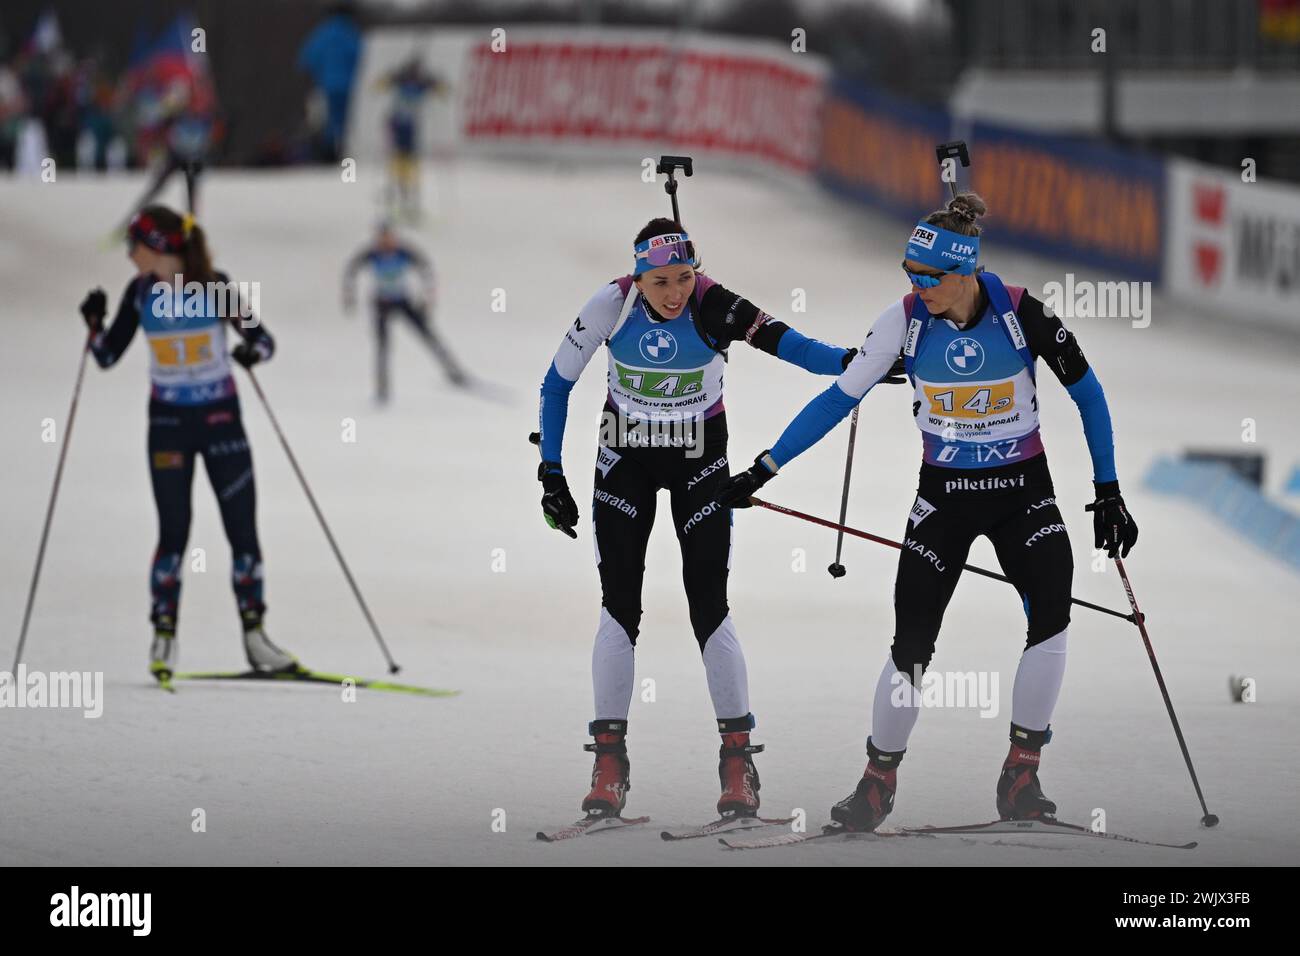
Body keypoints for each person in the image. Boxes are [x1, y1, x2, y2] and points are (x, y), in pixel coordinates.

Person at [718, 193, 1138, 831]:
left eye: (930, 277)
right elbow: (838, 399)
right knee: (912, 641)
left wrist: (1107, 490)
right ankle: (876, 781)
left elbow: (1090, 393)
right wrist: (764, 467)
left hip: (1023, 492)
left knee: (1052, 614)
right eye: (909, 274)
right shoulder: (903, 322)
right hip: (942, 499)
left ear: (967, 270)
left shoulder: (1025, 314)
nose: (918, 287)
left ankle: (1022, 771)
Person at [536, 216, 895, 822]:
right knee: (620, 605)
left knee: (709, 602)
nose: (674, 293)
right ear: (637, 278)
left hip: (700, 462)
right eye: (661, 283)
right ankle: (609, 764)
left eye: (684, 278)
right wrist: (550, 470)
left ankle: (737, 763)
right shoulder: (611, 304)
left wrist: (860, 364)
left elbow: (797, 349)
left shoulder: (717, 305)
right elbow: (556, 383)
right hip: (622, 460)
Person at [78, 204, 298, 684]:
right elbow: (107, 356)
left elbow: (264, 340)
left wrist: (249, 351)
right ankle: (164, 636)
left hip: (221, 423)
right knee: (173, 531)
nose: (128, 255)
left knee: (242, 531)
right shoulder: (139, 295)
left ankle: (256, 637)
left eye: (132, 245)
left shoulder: (214, 286)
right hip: (169, 425)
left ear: (156, 247)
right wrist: (94, 324)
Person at [343, 221, 466, 400]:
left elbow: (426, 270)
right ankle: (382, 389)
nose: (386, 242)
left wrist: (427, 298)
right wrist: (349, 297)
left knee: (428, 336)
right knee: (382, 346)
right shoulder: (372, 254)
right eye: (383, 238)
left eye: (389, 238)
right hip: (382, 303)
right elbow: (351, 272)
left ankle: (453, 371)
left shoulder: (403, 252)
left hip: (402, 300)